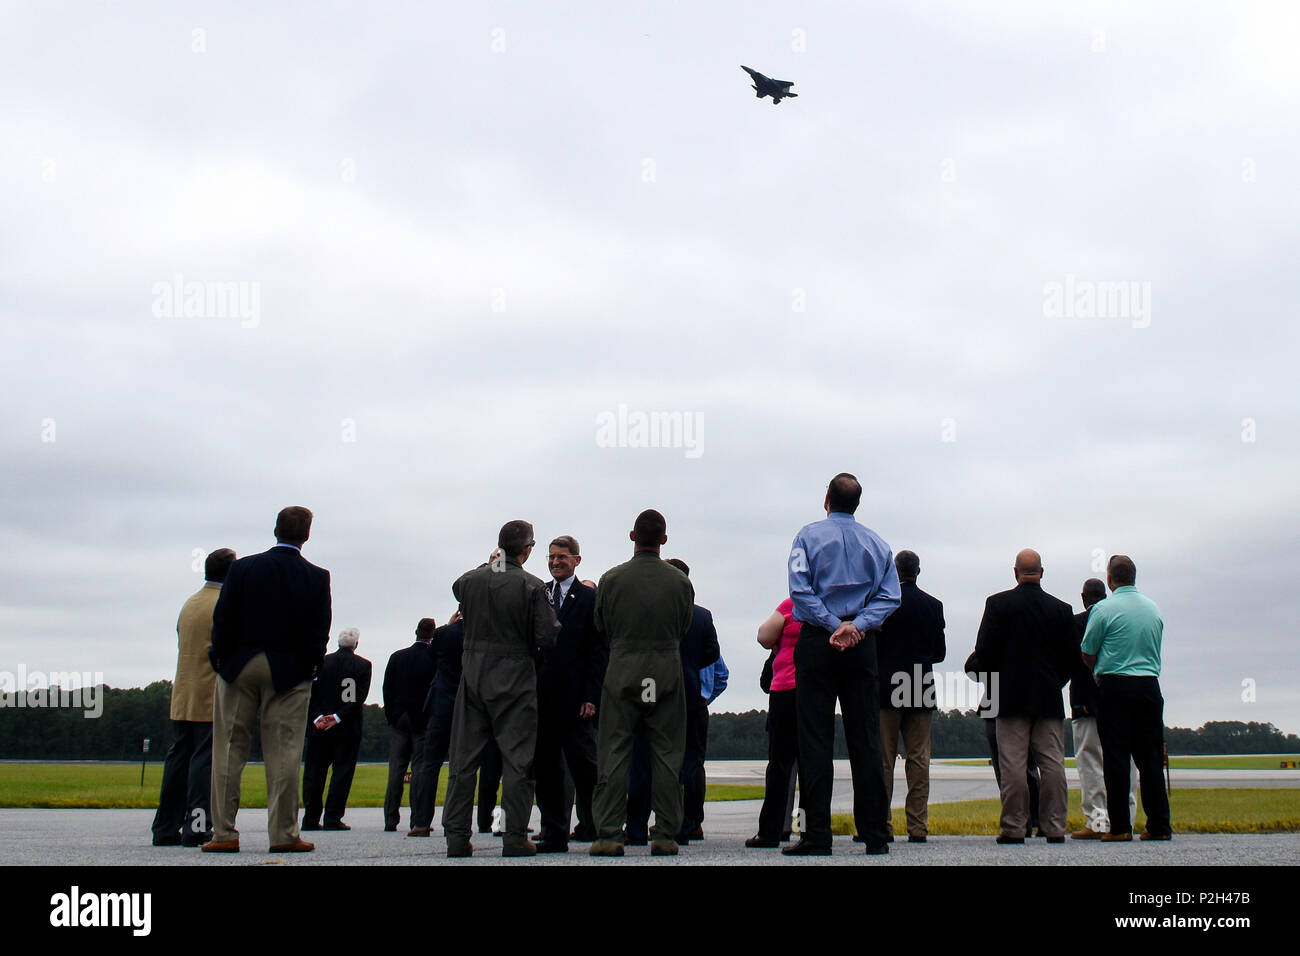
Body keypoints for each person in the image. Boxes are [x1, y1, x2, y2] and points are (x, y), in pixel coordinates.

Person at [785, 473, 901, 856]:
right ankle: (875, 834)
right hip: (861, 644)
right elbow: (890, 597)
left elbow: (799, 590)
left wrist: (834, 626)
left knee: (815, 737)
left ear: (826, 500)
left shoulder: (807, 537)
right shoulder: (878, 543)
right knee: (865, 736)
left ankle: (817, 834)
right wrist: (858, 626)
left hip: (820, 640)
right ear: (857, 503)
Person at [205, 506, 330, 854]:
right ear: (306, 535)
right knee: (285, 754)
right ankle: (284, 834)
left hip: (240, 663)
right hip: (289, 671)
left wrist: (221, 656)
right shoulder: (317, 577)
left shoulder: (242, 568)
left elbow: (224, 616)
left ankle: (224, 832)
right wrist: (310, 666)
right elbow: (320, 630)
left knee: (229, 749)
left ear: (275, 529)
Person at [441, 521, 560, 857]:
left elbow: (459, 585)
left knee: (464, 760)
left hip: (474, 673)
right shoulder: (533, 586)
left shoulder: (471, 581)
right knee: (517, 761)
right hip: (515, 678)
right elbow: (548, 635)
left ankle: (456, 836)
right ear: (527, 549)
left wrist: (488, 564)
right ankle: (514, 836)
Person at [589, 510, 694, 857]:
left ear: (632, 535)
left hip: (623, 668)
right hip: (664, 669)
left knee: (614, 751)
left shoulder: (612, 578)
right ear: (664, 539)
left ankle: (608, 834)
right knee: (667, 753)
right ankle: (665, 833)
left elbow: (601, 624)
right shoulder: (680, 582)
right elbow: (683, 626)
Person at [970, 548, 1076, 845]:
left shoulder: (997, 605)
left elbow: (985, 653)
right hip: (1048, 697)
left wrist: (1000, 678)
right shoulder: (1061, 609)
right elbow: (1071, 659)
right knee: (1053, 763)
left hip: (1009, 696)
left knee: (1013, 765)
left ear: (1015, 572)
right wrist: (1056, 682)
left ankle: (1015, 826)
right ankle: (1055, 826)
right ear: (1042, 572)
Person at [624, 557, 719, 846]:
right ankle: (684, 825)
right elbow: (712, 653)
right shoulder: (701, 616)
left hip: (649, 690)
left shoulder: (647, 611)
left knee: (642, 762)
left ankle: (637, 827)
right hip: (689, 693)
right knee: (689, 762)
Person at [1081, 555, 1172, 842]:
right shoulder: (1153, 609)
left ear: (1110, 579)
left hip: (1115, 686)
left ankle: (1120, 826)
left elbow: (1088, 649)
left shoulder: (1104, 609)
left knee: (1117, 758)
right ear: (1134, 577)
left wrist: (1098, 669)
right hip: (1149, 686)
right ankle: (1159, 825)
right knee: (1151, 759)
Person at [151, 547, 235, 847]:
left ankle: (164, 828)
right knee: (204, 763)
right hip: (209, 693)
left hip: (183, 692)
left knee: (177, 761)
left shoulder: (191, 603)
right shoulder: (224, 603)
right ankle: (197, 826)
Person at [533, 535, 607, 853]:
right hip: (544, 697)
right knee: (547, 769)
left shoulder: (589, 599)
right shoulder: (540, 595)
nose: (555, 562)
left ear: (577, 560)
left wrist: (592, 696)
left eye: (561, 557)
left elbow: (598, 651)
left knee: (585, 768)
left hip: (578, 700)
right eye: (551, 557)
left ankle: (594, 825)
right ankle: (554, 832)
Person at [407, 611, 502, 838]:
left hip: (442, 705)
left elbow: (431, 658)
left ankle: (421, 821)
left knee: (430, 764)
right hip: (474, 704)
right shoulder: (487, 634)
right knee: (487, 766)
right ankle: (485, 821)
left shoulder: (443, 634)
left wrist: (448, 626)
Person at [876, 549, 946, 843]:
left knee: (884, 760)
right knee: (919, 759)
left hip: (887, 688)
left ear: (894, 571)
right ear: (919, 571)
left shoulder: (883, 604)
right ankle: (918, 825)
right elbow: (940, 653)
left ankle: (881, 824)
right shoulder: (934, 605)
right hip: (919, 685)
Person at [1070, 578, 1138, 839]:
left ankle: (1098, 821)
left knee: (1090, 763)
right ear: (1105, 595)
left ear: (1083, 597)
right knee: (1125, 761)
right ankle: (1126, 819)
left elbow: (1074, 661)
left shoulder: (1075, 623)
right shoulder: (1117, 617)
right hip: (1121, 698)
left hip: (1085, 700)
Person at [301, 627, 372, 831]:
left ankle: (311, 817)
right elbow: (358, 697)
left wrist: (319, 717)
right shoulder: (363, 665)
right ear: (356, 645)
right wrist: (338, 716)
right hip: (347, 729)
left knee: (314, 773)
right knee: (342, 773)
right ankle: (333, 817)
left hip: (319, 727)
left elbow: (310, 694)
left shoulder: (321, 663)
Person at [747, 598, 800, 848]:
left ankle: (772, 829)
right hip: (817, 691)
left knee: (780, 765)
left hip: (786, 688)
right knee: (814, 763)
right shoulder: (832, 605)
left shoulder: (792, 605)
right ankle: (813, 829)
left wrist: (780, 643)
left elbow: (763, 635)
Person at [382, 619, 436, 832]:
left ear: (416, 632)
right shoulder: (432, 658)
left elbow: (387, 688)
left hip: (399, 717)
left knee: (396, 770)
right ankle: (417, 819)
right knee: (420, 769)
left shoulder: (397, 657)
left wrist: (392, 715)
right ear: (431, 635)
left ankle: (390, 818)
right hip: (421, 719)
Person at [692, 649, 728, 839]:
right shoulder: (708, 640)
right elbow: (722, 676)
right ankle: (694, 822)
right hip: (700, 704)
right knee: (696, 764)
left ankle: (673, 821)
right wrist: (706, 698)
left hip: (681, 702)